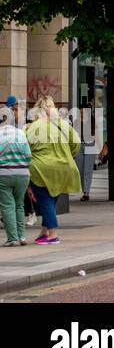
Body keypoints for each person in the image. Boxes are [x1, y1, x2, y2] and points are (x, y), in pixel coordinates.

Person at [25, 97, 81, 245]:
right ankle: (44, 232)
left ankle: (53, 234)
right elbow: (76, 144)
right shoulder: (64, 125)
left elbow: (25, 149)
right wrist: (67, 154)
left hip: (40, 168)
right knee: (50, 200)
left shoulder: (31, 127)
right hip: (64, 167)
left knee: (44, 201)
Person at [0, 106, 32, 246]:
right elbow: (28, 156)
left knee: (7, 205)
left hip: (4, 174)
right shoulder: (20, 133)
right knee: (19, 204)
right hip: (22, 174)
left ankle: (12, 239)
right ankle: (22, 237)